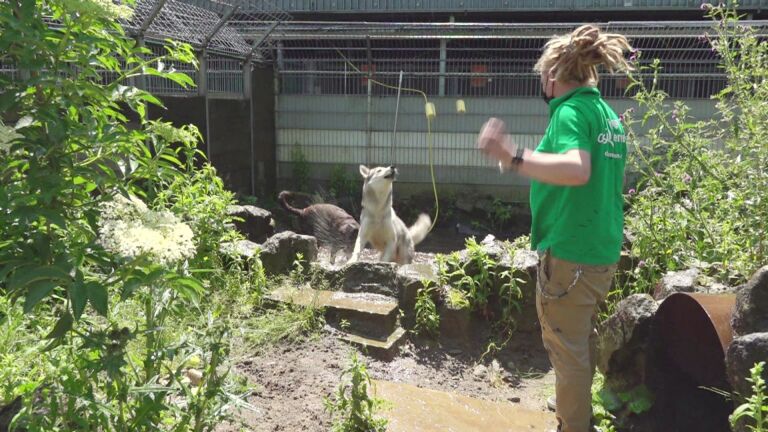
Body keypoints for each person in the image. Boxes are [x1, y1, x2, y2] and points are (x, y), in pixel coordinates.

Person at [476, 24, 633, 432]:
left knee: (567, 348)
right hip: (600, 248)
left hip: (572, 253)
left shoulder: (570, 110)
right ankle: (573, 399)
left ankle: (573, 424)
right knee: (578, 341)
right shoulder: (606, 115)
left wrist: (513, 156)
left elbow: (577, 170)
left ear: (552, 74)